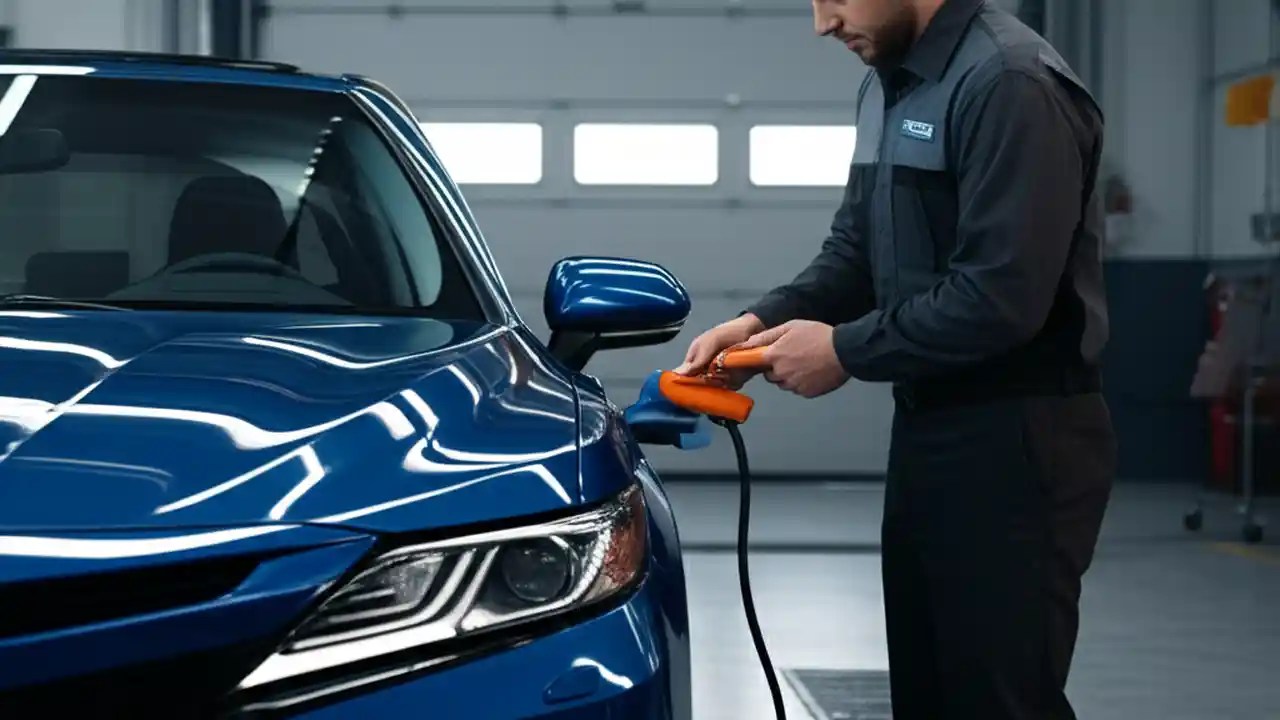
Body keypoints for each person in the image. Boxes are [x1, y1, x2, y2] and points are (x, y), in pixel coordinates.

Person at [674, 0, 1116, 718]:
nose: (822, 23)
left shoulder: (1009, 83)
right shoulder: (891, 83)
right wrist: (759, 323)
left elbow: (999, 298)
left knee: (998, 700)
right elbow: (857, 251)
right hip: (929, 432)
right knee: (928, 692)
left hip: (1019, 444)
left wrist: (844, 350)